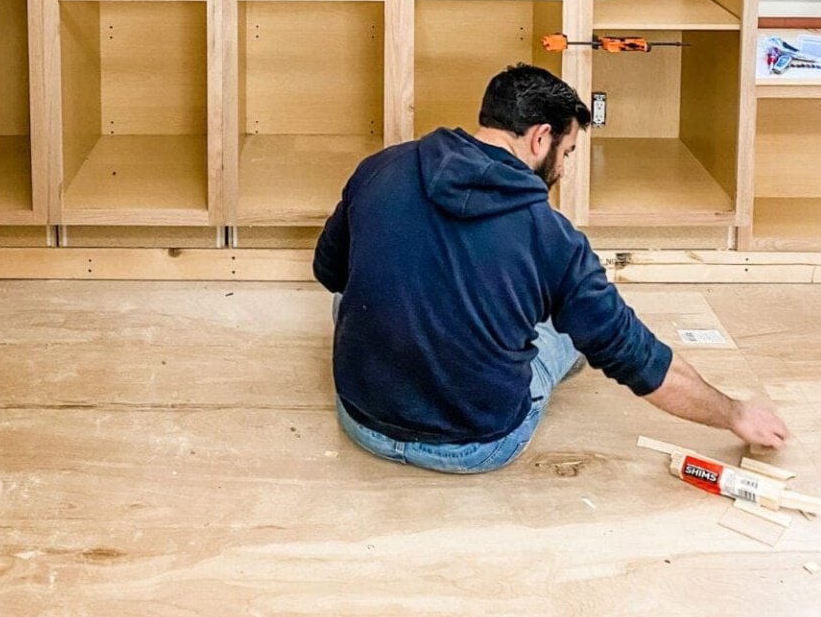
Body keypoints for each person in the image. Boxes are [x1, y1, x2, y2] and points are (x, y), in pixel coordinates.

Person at [313, 62, 788, 474]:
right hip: (474, 446)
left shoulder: (381, 167)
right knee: (566, 330)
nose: (562, 169)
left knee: (356, 295)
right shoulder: (552, 239)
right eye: (567, 152)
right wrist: (734, 414)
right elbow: (637, 357)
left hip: (364, 421)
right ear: (541, 137)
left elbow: (329, 272)